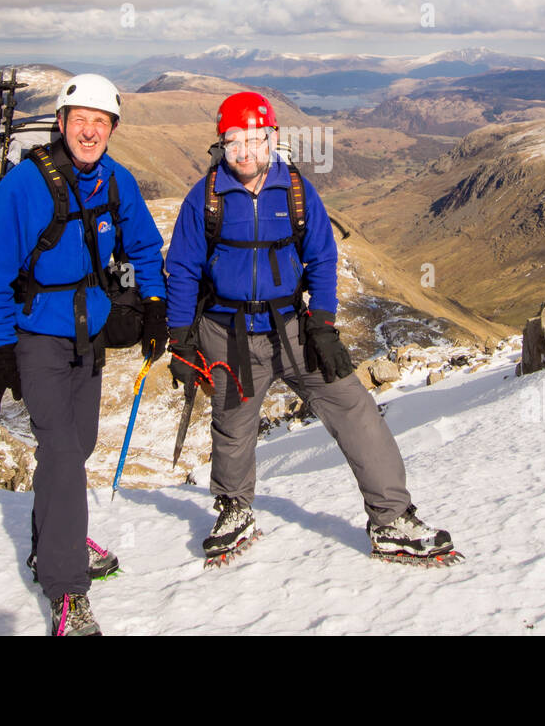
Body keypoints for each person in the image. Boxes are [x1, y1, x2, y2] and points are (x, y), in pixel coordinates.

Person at [164, 91, 457, 567]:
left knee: (354, 408)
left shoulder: (297, 191)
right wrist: (181, 339)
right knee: (233, 427)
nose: (245, 151)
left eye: (255, 140)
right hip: (228, 331)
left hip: (294, 329)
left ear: (272, 139)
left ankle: (392, 517)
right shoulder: (206, 197)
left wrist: (322, 324)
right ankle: (234, 508)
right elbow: (182, 268)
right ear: (221, 143)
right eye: (234, 141)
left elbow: (322, 256)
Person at [0, 73, 167, 635]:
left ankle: (54, 534)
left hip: (93, 334)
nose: (89, 131)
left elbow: (145, 245)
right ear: (60, 124)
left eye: (100, 122)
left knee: (77, 445)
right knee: (58, 447)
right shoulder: (23, 187)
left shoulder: (115, 180)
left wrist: (154, 305)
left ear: (111, 130)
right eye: (79, 120)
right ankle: (66, 588)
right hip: (38, 336)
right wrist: (0, 350)